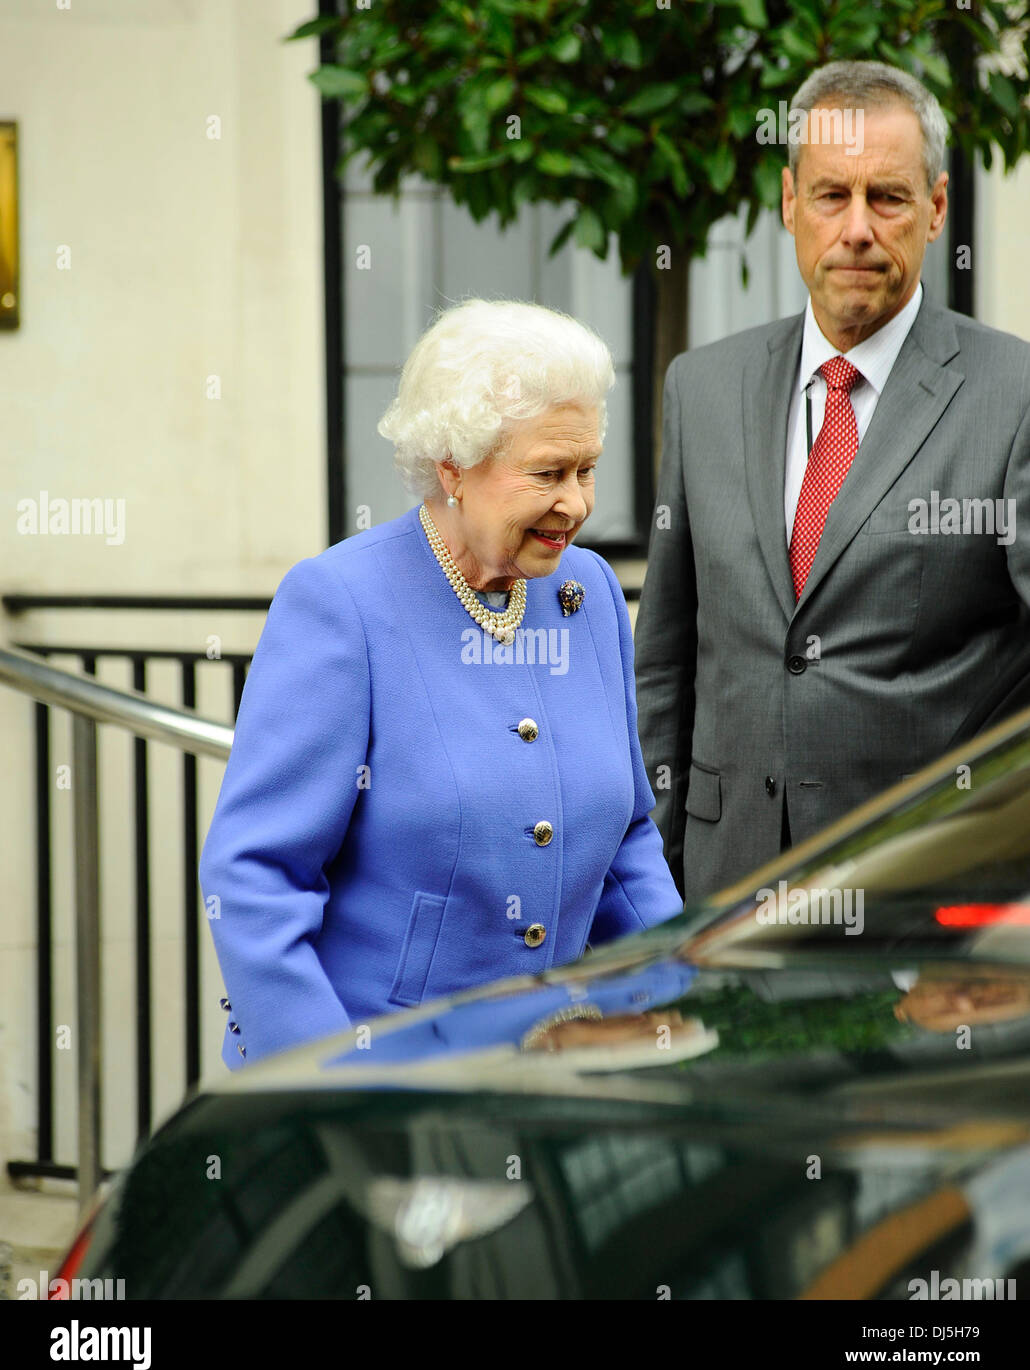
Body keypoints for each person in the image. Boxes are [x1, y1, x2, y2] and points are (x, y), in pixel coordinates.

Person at [199, 299, 682, 1069]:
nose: (578, 504)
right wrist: (330, 1084)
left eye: (587, 470)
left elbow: (625, 839)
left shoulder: (584, 594)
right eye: (548, 473)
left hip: (558, 1068)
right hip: (387, 1072)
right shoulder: (343, 604)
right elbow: (256, 876)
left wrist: (678, 996)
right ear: (453, 465)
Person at [634, 60, 1030, 903]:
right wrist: (656, 891)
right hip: (721, 893)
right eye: (830, 196)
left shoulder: (1015, 397)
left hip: (927, 900)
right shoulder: (701, 389)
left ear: (937, 209)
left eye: (886, 197)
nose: (856, 228)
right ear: (788, 203)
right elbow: (666, 664)